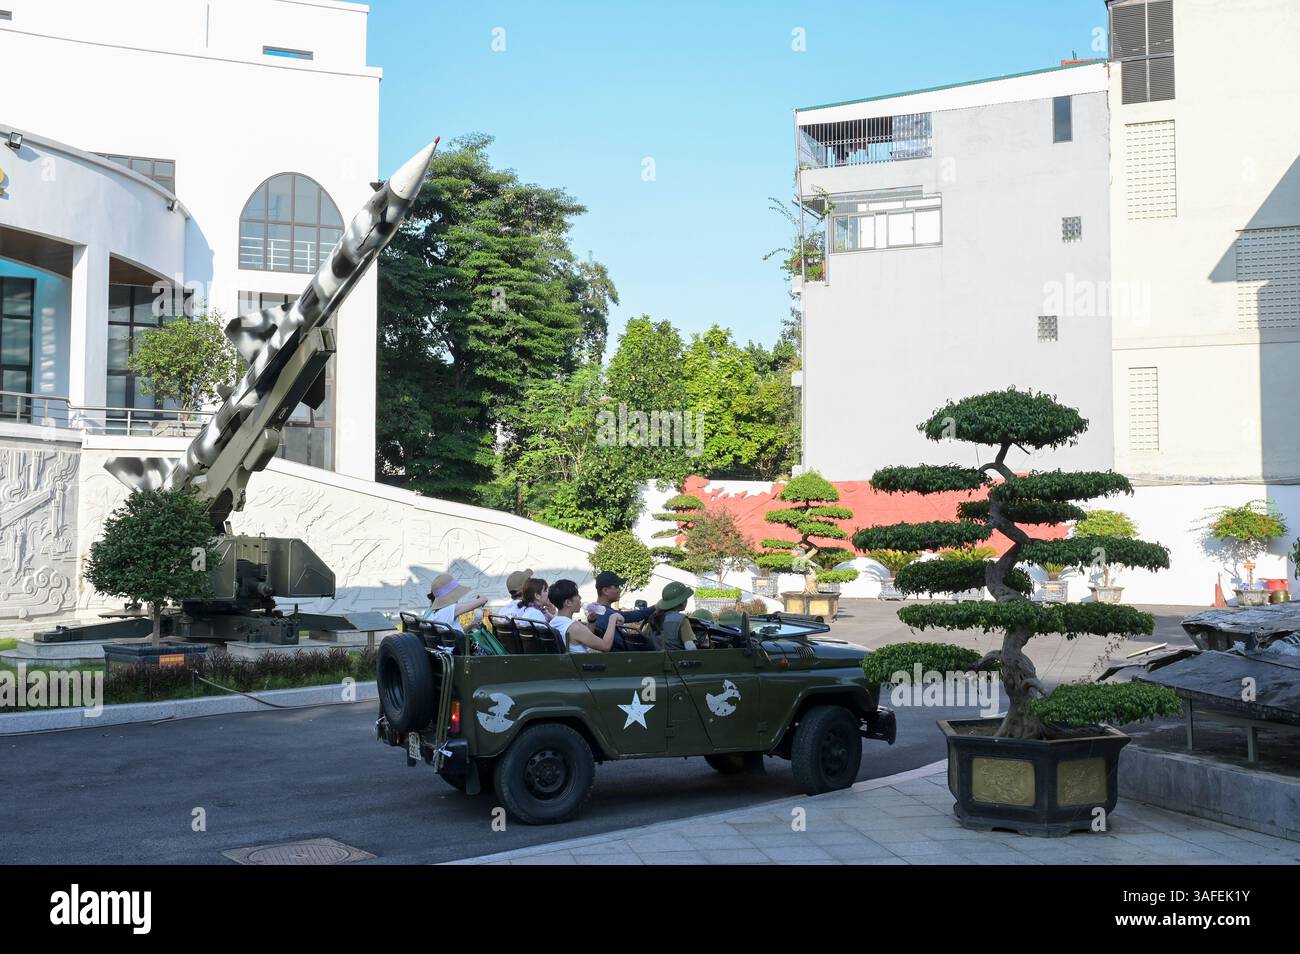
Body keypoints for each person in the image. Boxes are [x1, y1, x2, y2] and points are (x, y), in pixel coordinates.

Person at [549, 579, 619, 654]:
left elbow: (585, 637)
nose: (580, 598)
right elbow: (605, 646)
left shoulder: (553, 623)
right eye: (577, 595)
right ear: (568, 602)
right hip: (584, 664)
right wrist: (612, 618)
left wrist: (591, 620)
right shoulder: (575, 627)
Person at [587, 570, 655, 637]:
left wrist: (654, 608)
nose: (619, 590)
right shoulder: (607, 614)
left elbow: (630, 616)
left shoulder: (602, 612)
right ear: (605, 591)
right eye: (617, 587)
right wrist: (655, 607)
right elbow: (620, 643)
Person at [421, 572, 489, 632]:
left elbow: (455, 635)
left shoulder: (430, 612)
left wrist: (471, 626)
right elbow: (484, 599)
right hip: (457, 646)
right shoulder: (450, 610)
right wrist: (481, 598)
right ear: (451, 596)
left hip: (445, 644)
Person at [645, 581, 700, 651]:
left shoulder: (654, 618)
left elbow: (644, 638)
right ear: (682, 602)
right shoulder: (681, 619)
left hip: (655, 659)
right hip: (677, 660)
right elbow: (690, 647)